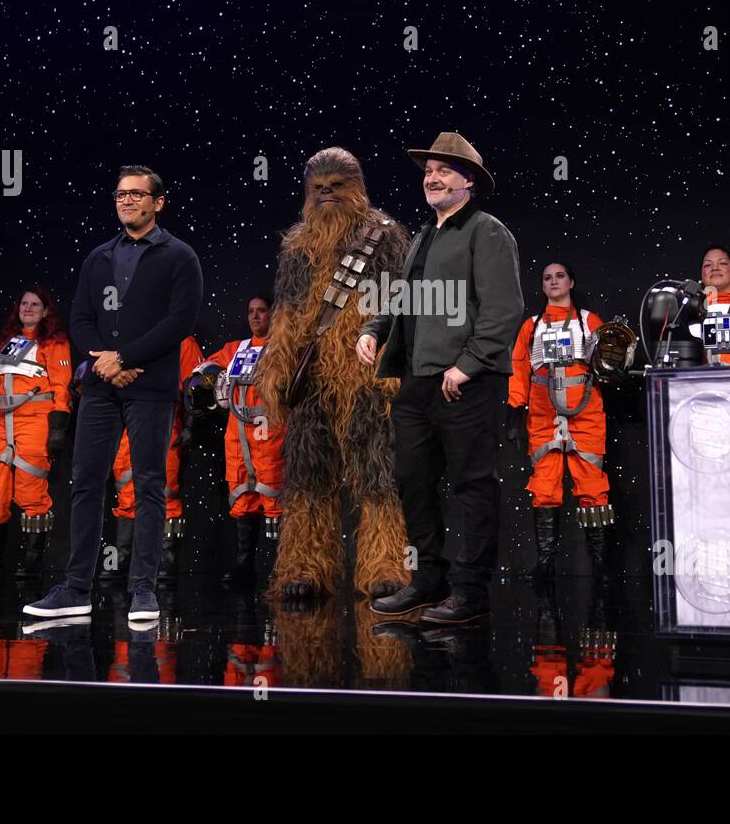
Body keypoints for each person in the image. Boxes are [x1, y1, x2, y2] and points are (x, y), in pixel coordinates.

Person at [24, 165, 202, 623]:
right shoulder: (98, 257)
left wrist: (121, 358)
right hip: (103, 388)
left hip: (151, 388)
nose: (126, 201)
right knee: (85, 482)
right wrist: (107, 362)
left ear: (158, 202)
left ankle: (143, 590)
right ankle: (76, 588)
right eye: (121, 194)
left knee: (148, 485)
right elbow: (81, 319)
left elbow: (178, 323)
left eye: (137, 195)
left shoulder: (179, 256)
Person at [362, 132, 524, 625]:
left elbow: (504, 309)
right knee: (412, 480)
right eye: (428, 171)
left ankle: (471, 593)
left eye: (444, 170)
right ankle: (427, 580)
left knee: (472, 484)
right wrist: (374, 329)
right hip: (418, 383)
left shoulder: (487, 231)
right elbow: (403, 299)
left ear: (468, 180)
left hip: (465, 383)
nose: (432, 178)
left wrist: (468, 365)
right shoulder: (422, 237)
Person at [254, 147, 412, 601]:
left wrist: (390, 370)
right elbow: (285, 312)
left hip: (367, 382)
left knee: (379, 479)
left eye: (336, 186)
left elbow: (397, 307)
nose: (325, 193)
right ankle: (304, 568)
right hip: (314, 384)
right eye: (317, 187)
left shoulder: (384, 238)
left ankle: (387, 569)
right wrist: (279, 370)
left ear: (357, 188)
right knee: (307, 480)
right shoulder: (296, 246)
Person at [507, 263, 614, 583]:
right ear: (542, 287)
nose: (554, 282)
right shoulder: (532, 326)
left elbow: (608, 362)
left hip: (586, 415)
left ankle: (600, 564)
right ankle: (545, 564)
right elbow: (519, 366)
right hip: (543, 416)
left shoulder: (588, 321)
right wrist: (515, 410)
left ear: (571, 282)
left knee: (593, 489)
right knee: (544, 489)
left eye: (560, 276)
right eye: (547, 278)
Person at [0, 285, 72, 581]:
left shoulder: (54, 342)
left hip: (35, 420)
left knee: (30, 491)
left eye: (35, 304)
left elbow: (62, 385)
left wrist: (58, 428)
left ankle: (32, 560)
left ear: (46, 310)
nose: (28, 308)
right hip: (3, 421)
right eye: (24, 303)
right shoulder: (7, 343)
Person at [200, 294, 285, 586]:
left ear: (273, 314)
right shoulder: (237, 349)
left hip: (269, 432)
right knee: (242, 497)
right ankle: (244, 565)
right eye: (251, 311)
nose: (255, 316)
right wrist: (201, 382)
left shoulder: (283, 348)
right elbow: (205, 369)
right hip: (238, 436)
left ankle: (280, 566)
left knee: (274, 499)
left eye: (262, 311)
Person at [105, 333, 204, 584]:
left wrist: (191, 423)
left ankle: (166, 560)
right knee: (126, 492)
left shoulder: (181, 340)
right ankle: (122, 558)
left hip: (163, 421)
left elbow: (195, 382)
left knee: (166, 492)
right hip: (128, 420)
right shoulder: (127, 335)